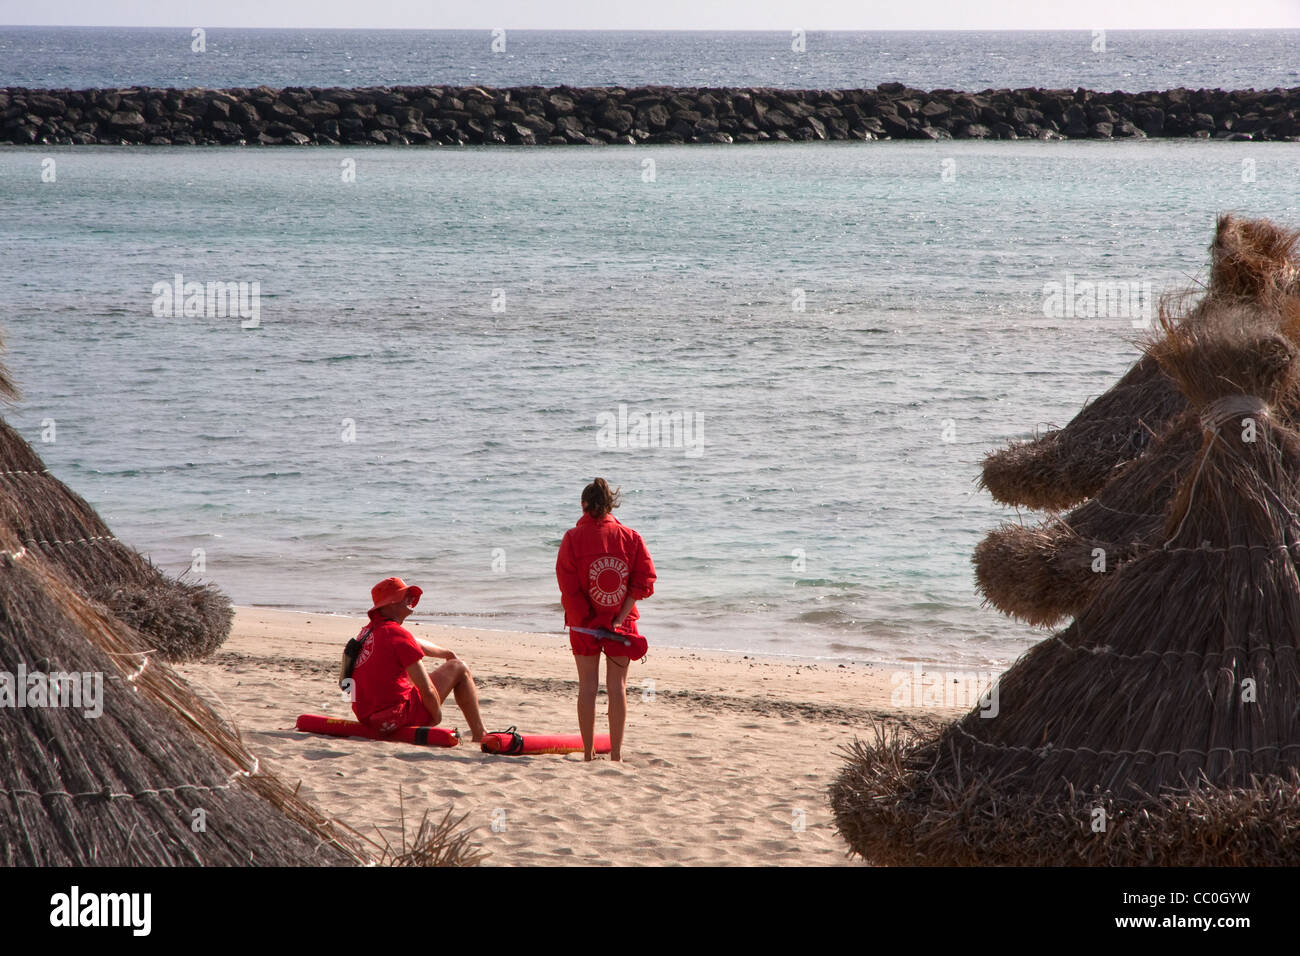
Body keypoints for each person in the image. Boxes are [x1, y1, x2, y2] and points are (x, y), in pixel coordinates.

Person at [555, 478, 656, 761]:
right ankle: (617, 755)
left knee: (587, 687)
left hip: (583, 625)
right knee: (617, 688)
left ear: (584, 505)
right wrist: (618, 618)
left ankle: (587, 753)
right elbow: (644, 582)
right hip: (620, 625)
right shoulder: (631, 537)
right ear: (611, 505)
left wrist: (588, 619)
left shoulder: (572, 538)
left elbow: (569, 587)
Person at [345, 576, 487, 742]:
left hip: (367, 717)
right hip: (394, 718)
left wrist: (446, 653)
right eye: (405, 595)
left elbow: (413, 643)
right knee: (459, 667)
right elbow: (426, 689)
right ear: (390, 602)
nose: (410, 599)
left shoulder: (369, 631)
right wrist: (435, 717)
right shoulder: (396, 634)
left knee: (407, 668)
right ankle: (480, 734)